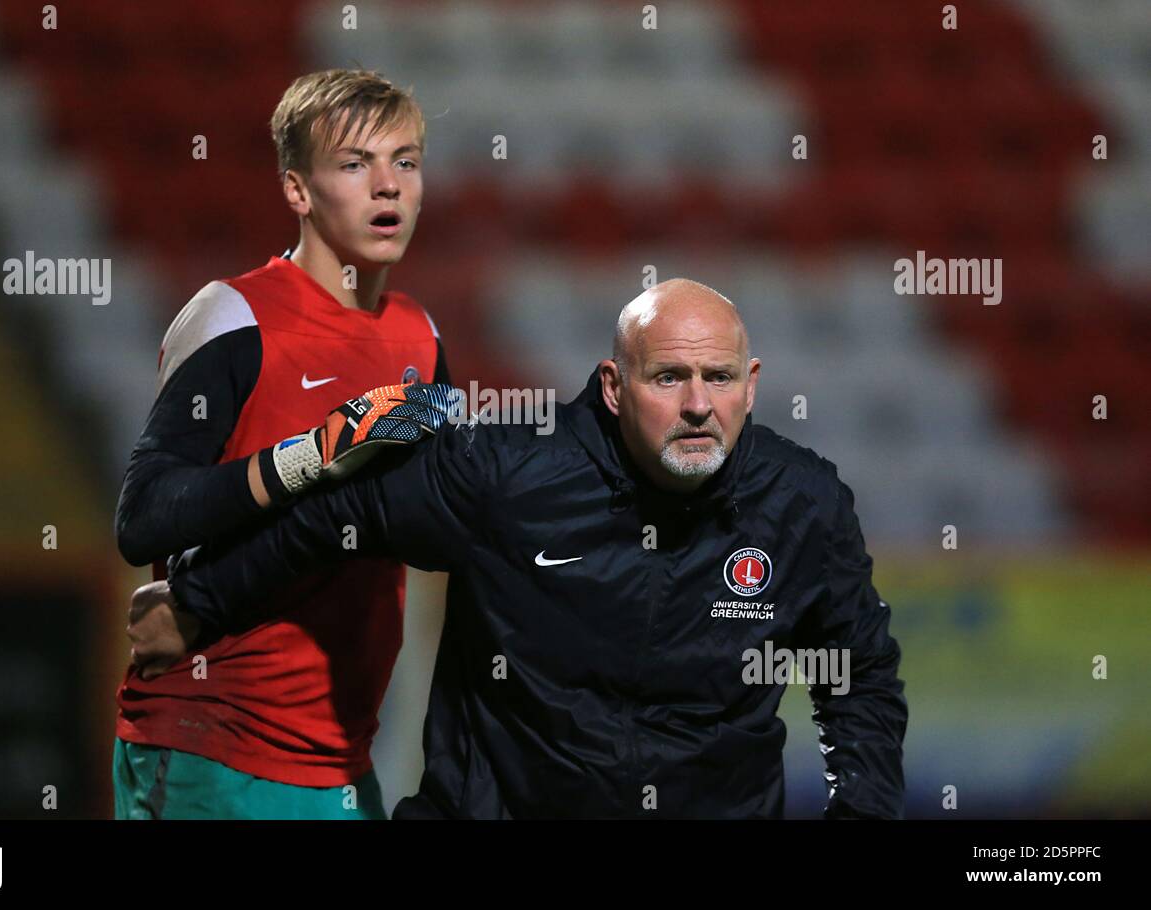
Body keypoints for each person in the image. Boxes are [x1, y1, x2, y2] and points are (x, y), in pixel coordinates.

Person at [131, 279, 909, 819]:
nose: (699, 404)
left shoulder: (803, 504)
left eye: (720, 376)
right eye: (668, 377)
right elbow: (343, 509)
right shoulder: (506, 474)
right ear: (613, 385)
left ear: (753, 383)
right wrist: (201, 605)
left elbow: (861, 674)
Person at [111, 68, 452, 820]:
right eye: (355, 165)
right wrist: (312, 455)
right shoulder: (236, 316)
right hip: (213, 745)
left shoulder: (418, 336)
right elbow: (144, 517)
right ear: (298, 190)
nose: (388, 187)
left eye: (405, 161)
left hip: (341, 760)